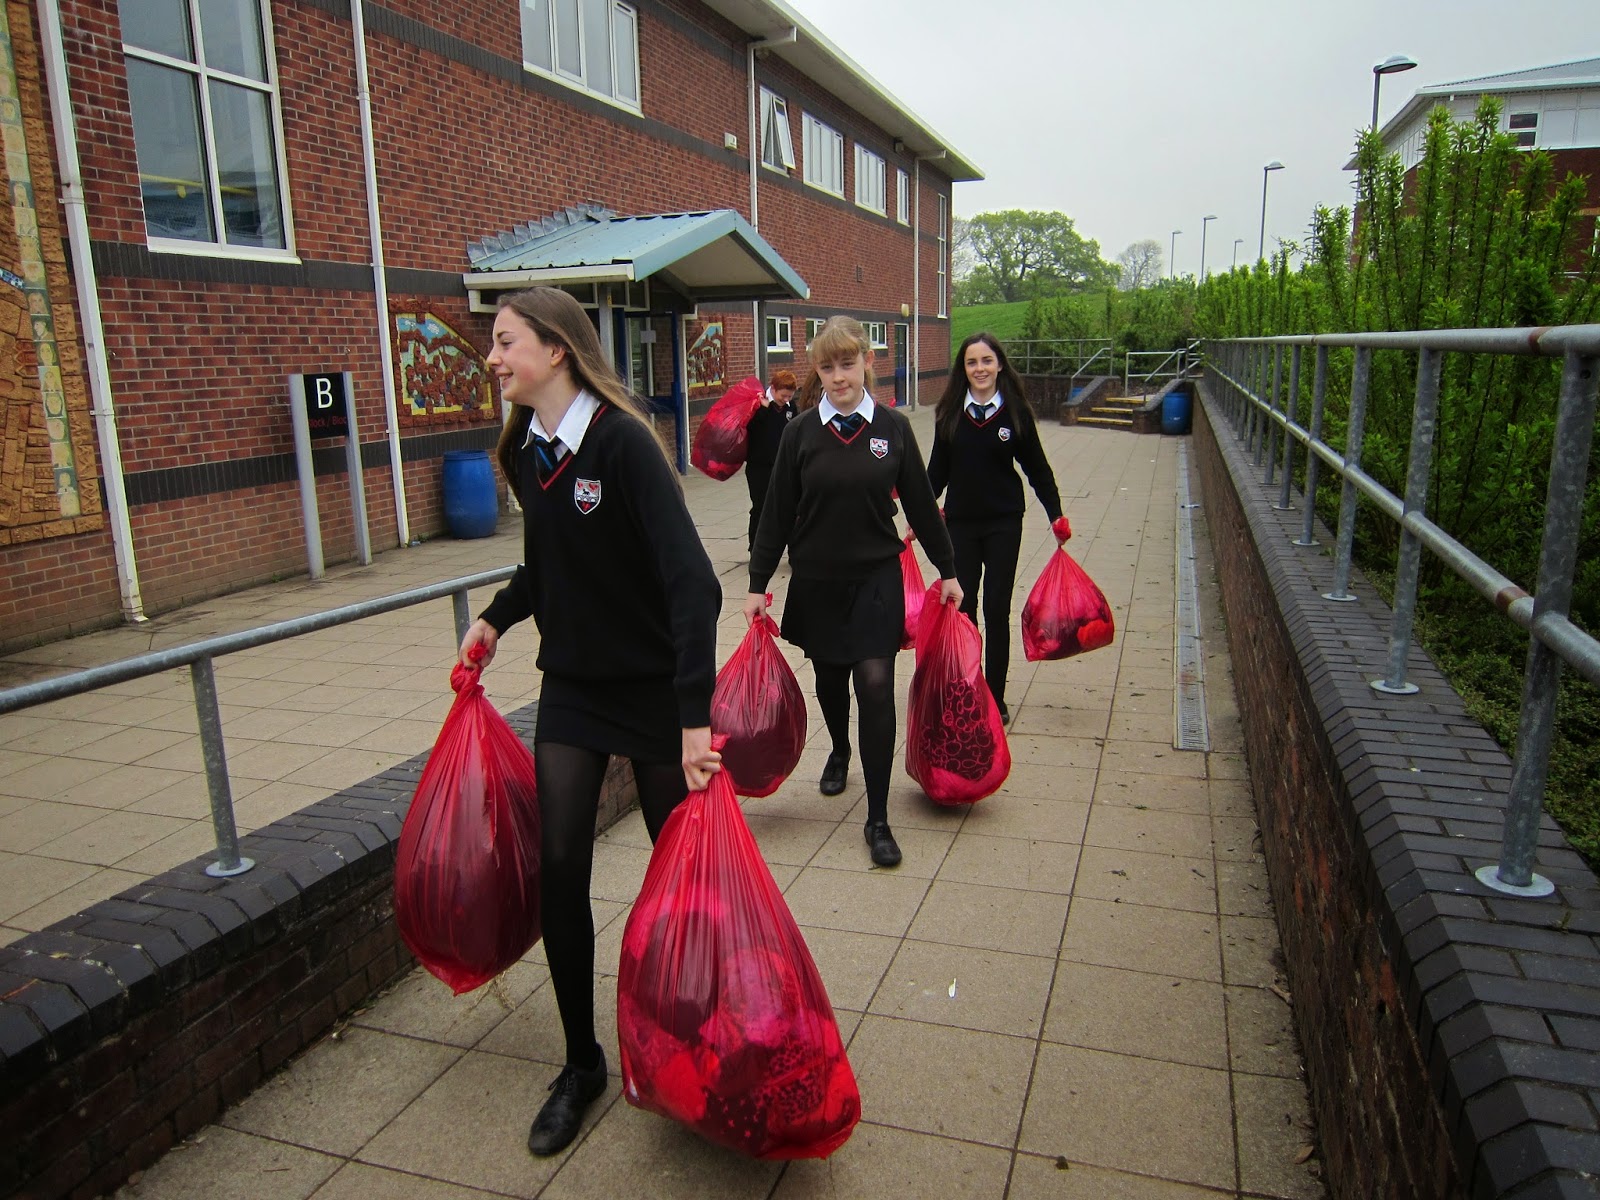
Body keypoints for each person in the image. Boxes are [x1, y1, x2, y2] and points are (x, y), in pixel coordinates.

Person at [458, 287, 723, 1157]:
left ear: (557, 350)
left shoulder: (623, 444)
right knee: (560, 866)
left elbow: (694, 583)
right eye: (492, 345)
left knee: (681, 875)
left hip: (651, 689)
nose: (493, 358)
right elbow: (546, 568)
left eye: (505, 342)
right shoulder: (525, 450)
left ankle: (707, 1037)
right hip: (572, 687)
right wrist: (496, 619)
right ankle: (582, 1064)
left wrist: (693, 718)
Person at [743, 316, 960, 869]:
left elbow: (919, 505)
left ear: (867, 360)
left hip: (875, 579)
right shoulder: (799, 434)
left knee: (875, 683)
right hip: (817, 581)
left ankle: (878, 818)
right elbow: (775, 514)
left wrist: (948, 570)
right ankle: (839, 749)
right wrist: (757, 583)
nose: (838, 376)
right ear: (817, 370)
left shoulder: (892, 428)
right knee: (831, 681)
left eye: (847, 363)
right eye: (827, 366)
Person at [926, 331, 1065, 726]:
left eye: (987, 361)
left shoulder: (1015, 412)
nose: (980, 368)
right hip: (960, 526)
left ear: (999, 364)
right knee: (963, 610)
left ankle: (996, 696)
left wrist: (1055, 515)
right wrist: (918, 514)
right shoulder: (949, 414)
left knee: (996, 609)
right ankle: (964, 689)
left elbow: (1037, 469)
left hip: (1004, 523)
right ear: (963, 369)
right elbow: (935, 473)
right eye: (972, 362)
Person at [744, 368, 799, 552]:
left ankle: (794, 551)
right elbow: (748, 430)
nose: (786, 400)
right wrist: (763, 411)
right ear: (773, 389)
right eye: (783, 395)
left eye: (789, 396)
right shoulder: (758, 406)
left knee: (790, 508)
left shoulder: (791, 408)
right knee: (761, 508)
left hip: (784, 466)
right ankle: (756, 548)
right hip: (760, 468)